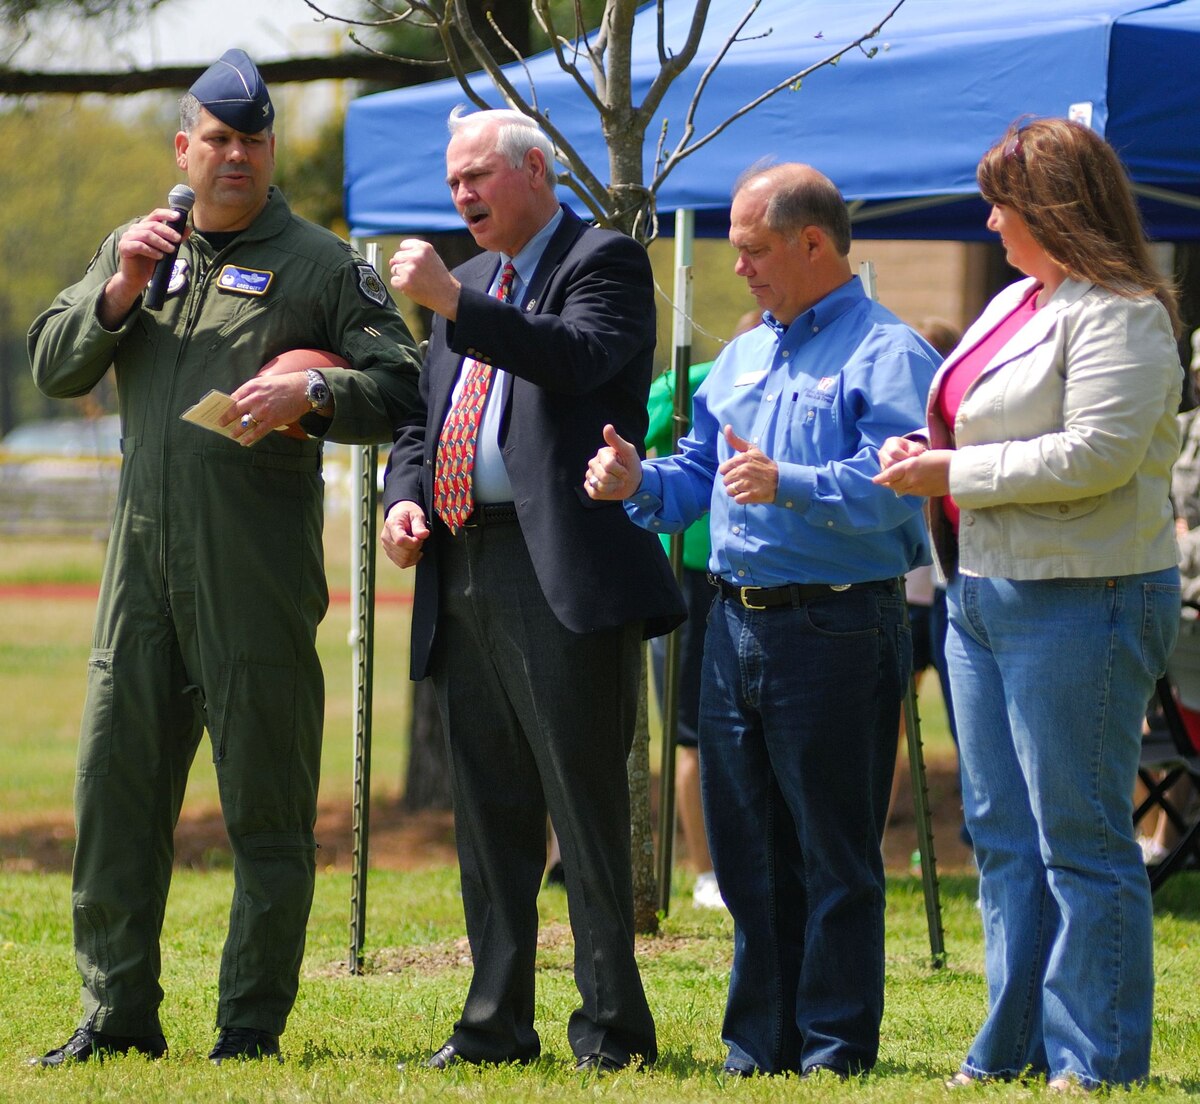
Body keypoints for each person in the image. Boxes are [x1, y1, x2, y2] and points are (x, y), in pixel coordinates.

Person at [27, 49, 421, 1067]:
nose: (235, 155)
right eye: (218, 139)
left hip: (253, 575)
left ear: (270, 150)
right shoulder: (140, 250)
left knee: (268, 810)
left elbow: (403, 385)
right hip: (139, 575)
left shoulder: (322, 265)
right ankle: (116, 1016)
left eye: (253, 139)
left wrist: (316, 392)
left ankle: (248, 1026)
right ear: (184, 149)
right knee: (114, 796)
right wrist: (119, 285)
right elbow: (53, 361)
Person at [586, 162, 938, 1077]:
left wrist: (792, 484)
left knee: (833, 852)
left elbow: (901, 488)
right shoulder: (744, 356)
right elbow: (701, 472)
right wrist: (639, 482)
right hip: (729, 620)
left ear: (812, 243)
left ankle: (833, 1048)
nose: (737, 267)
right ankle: (758, 1046)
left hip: (837, 624)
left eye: (753, 250)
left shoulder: (889, 352)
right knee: (746, 852)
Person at [874, 118, 1181, 1090]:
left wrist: (953, 471)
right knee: (1003, 838)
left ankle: (1097, 1060)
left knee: (1081, 842)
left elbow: (1098, 456)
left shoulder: (1125, 313)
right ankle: (1013, 1045)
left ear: (1053, 206)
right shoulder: (1015, 299)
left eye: (1001, 203)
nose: (990, 222)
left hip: (1084, 599)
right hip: (980, 595)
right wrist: (925, 454)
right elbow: (971, 420)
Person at [380, 106, 684, 1073]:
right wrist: (404, 498)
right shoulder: (466, 283)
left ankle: (612, 1032)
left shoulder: (604, 261)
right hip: (461, 560)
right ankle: (494, 1026)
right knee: (489, 816)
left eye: (477, 175)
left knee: (583, 810)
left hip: (557, 570)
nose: (461, 194)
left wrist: (454, 304)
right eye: (452, 181)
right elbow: (422, 421)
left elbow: (575, 357)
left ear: (537, 171)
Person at [646, 310, 758, 911]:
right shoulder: (689, 380)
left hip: (749, 571)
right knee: (690, 731)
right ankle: (704, 870)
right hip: (687, 572)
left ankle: (738, 863)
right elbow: (636, 434)